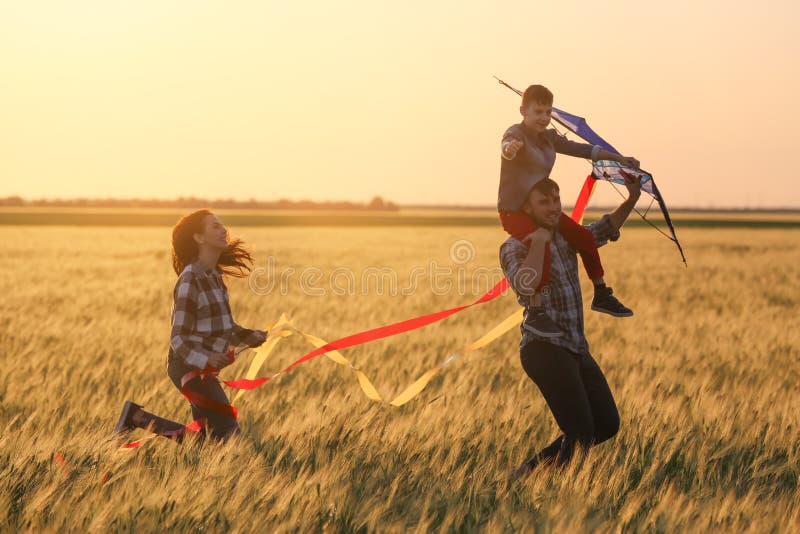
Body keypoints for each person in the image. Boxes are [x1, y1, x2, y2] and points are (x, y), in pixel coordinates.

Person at [499, 173, 642, 480]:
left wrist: (631, 199)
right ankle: (556, 490)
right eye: (543, 202)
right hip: (543, 348)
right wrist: (538, 242)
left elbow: (601, 232)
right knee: (579, 430)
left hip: (576, 346)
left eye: (556, 199)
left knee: (606, 424)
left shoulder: (567, 235)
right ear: (527, 206)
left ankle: (524, 475)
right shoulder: (513, 246)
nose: (553, 207)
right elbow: (526, 285)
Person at [114, 209, 267, 445]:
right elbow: (178, 337)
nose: (223, 229)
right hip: (187, 367)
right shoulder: (190, 279)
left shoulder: (214, 275)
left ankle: (136, 417)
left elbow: (224, 326)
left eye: (222, 225)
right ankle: (136, 417)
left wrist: (250, 336)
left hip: (202, 369)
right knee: (228, 433)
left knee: (209, 442)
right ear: (198, 237)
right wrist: (206, 360)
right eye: (214, 226)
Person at [499, 84, 638, 338]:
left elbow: (582, 149)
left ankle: (601, 293)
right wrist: (510, 149)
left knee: (584, 239)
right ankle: (537, 312)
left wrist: (618, 158)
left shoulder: (549, 138)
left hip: (540, 210)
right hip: (515, 212)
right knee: (541, 241)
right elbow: (506, 146)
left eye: (548, 112)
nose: (543, 117)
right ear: (523, 111)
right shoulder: (515, 133)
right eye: (537, 111)